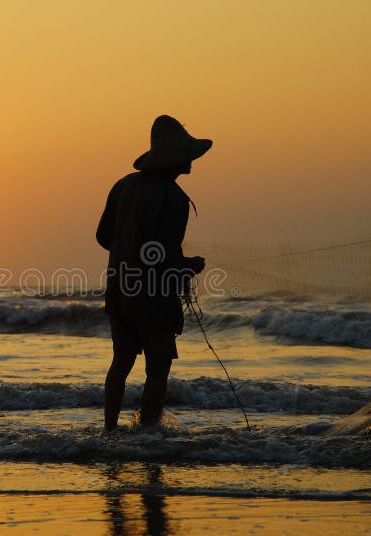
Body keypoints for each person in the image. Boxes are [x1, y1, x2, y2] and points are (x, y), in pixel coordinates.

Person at [96, 115, 211, 431]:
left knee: (121, 362)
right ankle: (148, 434)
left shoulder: (123, 186)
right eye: (187, 154)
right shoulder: (173, 196)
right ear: (176, 159)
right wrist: (189, 266)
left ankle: (109, 431)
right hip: (154, 298)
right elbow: (166, 256)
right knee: (157, 368)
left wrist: (130, 250)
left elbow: (104, 237)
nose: (191, 161)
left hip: (120, 291)